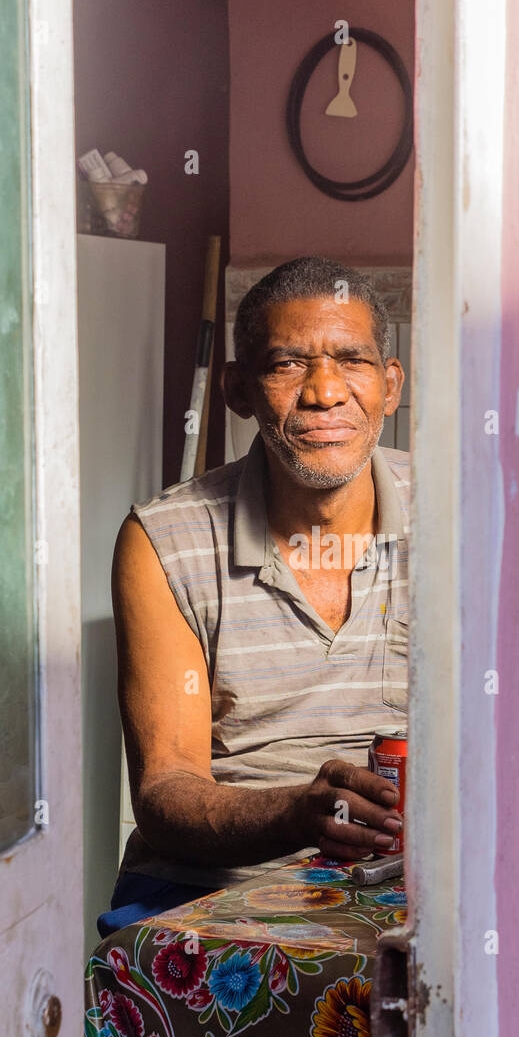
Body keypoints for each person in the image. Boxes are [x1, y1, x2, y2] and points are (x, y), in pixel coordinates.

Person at [97, 257, 409, 937]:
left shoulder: (456, 514)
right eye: (287, 364)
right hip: (216, 894)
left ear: (389, 387)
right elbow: (163, 793)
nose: (325, 392)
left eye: (351, 362)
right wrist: (297, 815)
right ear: (237, 389)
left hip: (399, 887)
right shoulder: (164, 541)